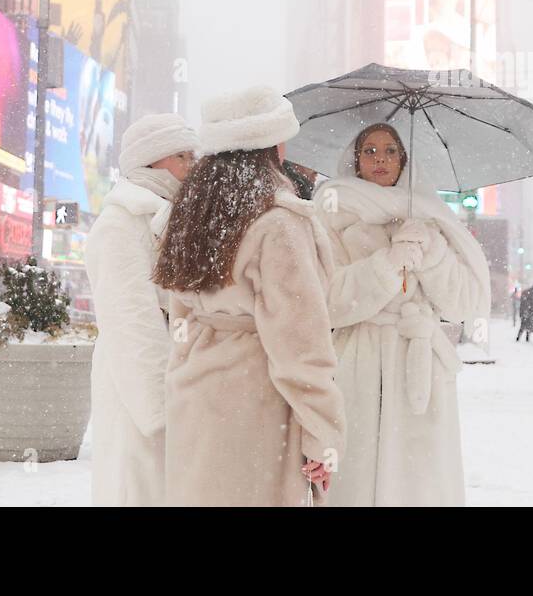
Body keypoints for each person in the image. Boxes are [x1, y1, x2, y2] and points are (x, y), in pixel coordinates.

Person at [155, 86, 345, 506]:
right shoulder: (279, 222)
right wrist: (322, 432)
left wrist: (181, 378)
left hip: (197, 399)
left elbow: (180, 316)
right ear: (270, 143)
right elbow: (300, 342)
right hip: (257, 406)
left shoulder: (191, 214)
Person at [314, 122, 490, 506]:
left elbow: (461, 303)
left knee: (421, 483)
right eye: (370, 150)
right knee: (359, 478)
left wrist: (431, 254)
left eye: (391, 150)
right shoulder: (331, 213)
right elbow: (328, 301)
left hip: (421, 366)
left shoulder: (429, 217)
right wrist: (388, 264)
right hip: (358, 363)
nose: (381, 159)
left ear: (404, 160)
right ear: (355, 160)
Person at [84, 112, 198, 507]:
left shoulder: (170, 217)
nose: (192, 165)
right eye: (181, 156)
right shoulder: (121, 223)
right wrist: (160, 410)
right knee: (135, 486)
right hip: (138, 385)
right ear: (151, 161)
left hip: (173, 373)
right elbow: (130, 320)